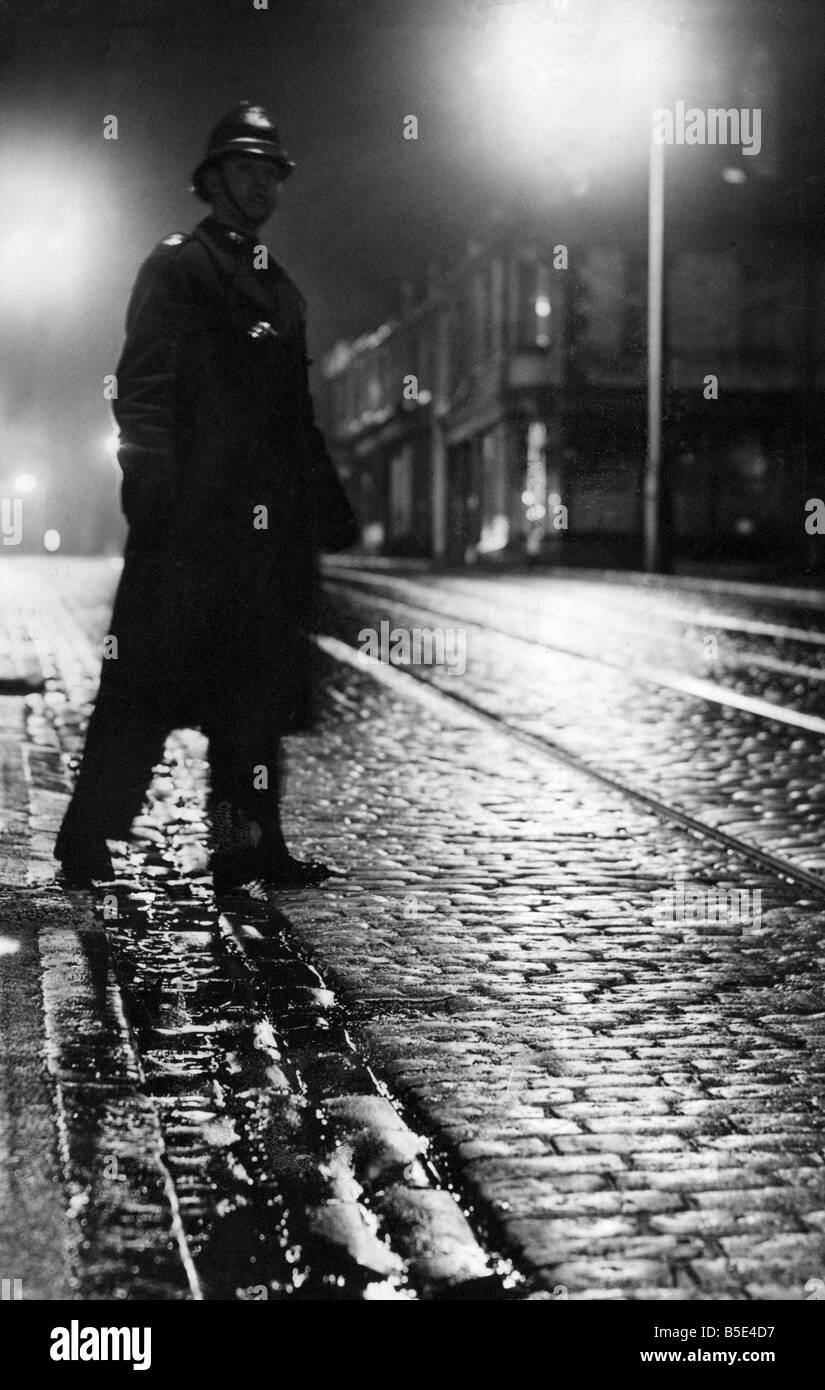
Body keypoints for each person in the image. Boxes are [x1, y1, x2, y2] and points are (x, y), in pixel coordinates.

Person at [55, 102, 358, 897]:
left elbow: (297, 414)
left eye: (272, 173)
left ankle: (246, 847)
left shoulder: (280, 290)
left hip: (265, 529)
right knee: (144, 687)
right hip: (190, 518)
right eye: (247, 169)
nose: (261, 185)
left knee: (250, 700)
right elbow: (144, 387)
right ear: (213, 179)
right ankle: (86, 844)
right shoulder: (178, 265)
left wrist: (324, 505)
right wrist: (152, 492)